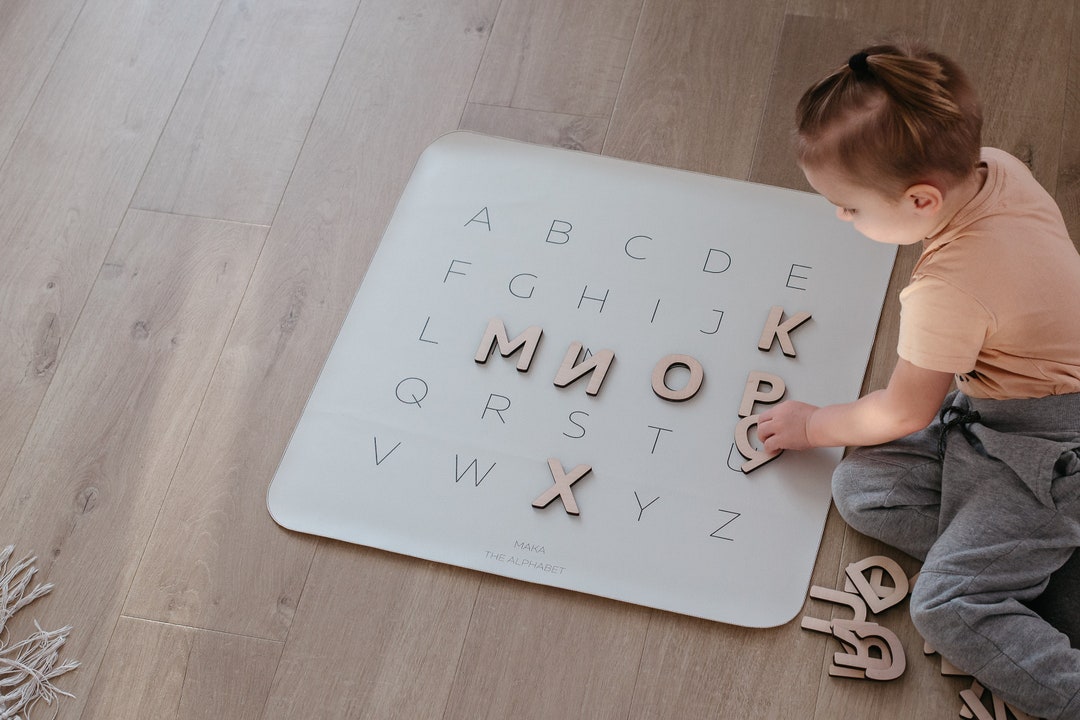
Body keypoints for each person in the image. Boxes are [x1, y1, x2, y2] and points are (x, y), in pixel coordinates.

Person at [756, 41, 1080, 719]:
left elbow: (901, 412)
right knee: (861, 488)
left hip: (1052, 452)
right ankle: (1027, 560)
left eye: (850, 207)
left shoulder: (946, 292)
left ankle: (1021, 593)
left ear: (920, 198)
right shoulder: (999, 170)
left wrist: (813, 424)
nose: (843, 218)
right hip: (998, 418)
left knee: (946, 605)